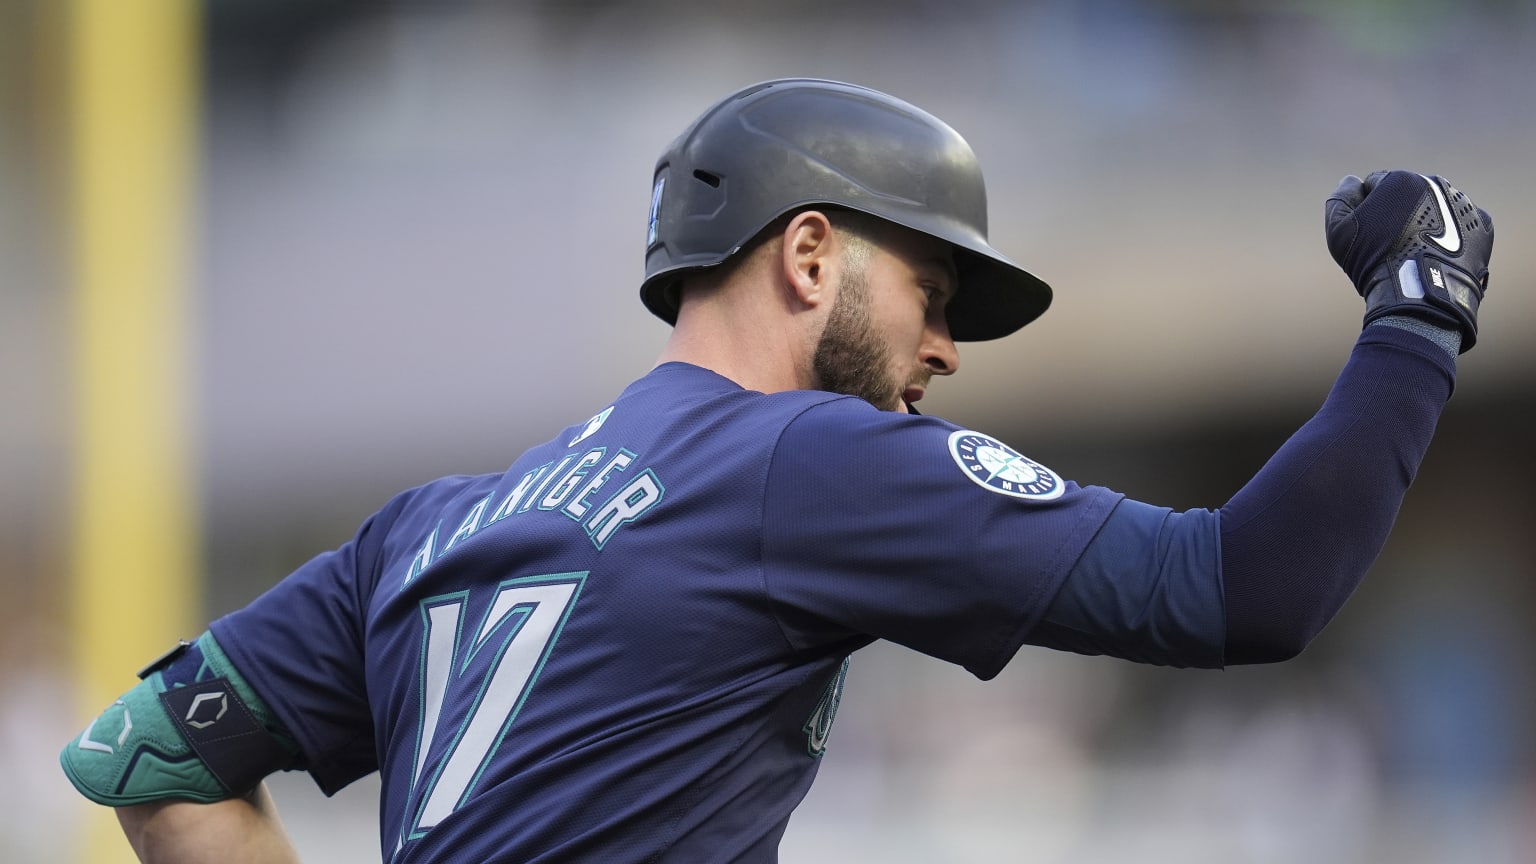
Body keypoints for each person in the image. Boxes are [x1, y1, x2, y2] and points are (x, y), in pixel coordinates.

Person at [61, 78, 1493, 863]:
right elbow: (1248, 590)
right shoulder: (809, 460)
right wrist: (1418, 317)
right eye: (932, 288)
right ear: (810, 254)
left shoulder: (433, 523)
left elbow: (151, 760)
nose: (944, 347)